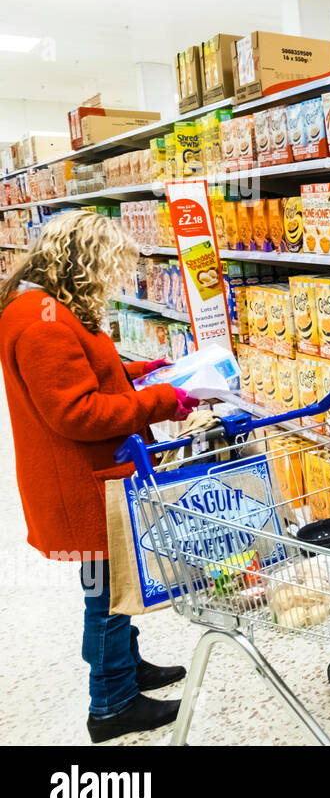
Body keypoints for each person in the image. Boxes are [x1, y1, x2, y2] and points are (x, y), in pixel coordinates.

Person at [0, 210, 200, 742]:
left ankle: (127, 668)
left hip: (92, 481)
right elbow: (76, 412)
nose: (114, 279)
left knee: (112, 590)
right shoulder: (40, 322)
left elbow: (86, 371)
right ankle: (111, 704)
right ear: (80, 262)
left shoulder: (46, 308)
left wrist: (142, 372)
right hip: (83, 488)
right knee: (107, 597)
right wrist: (160, 402)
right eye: (108, 266)